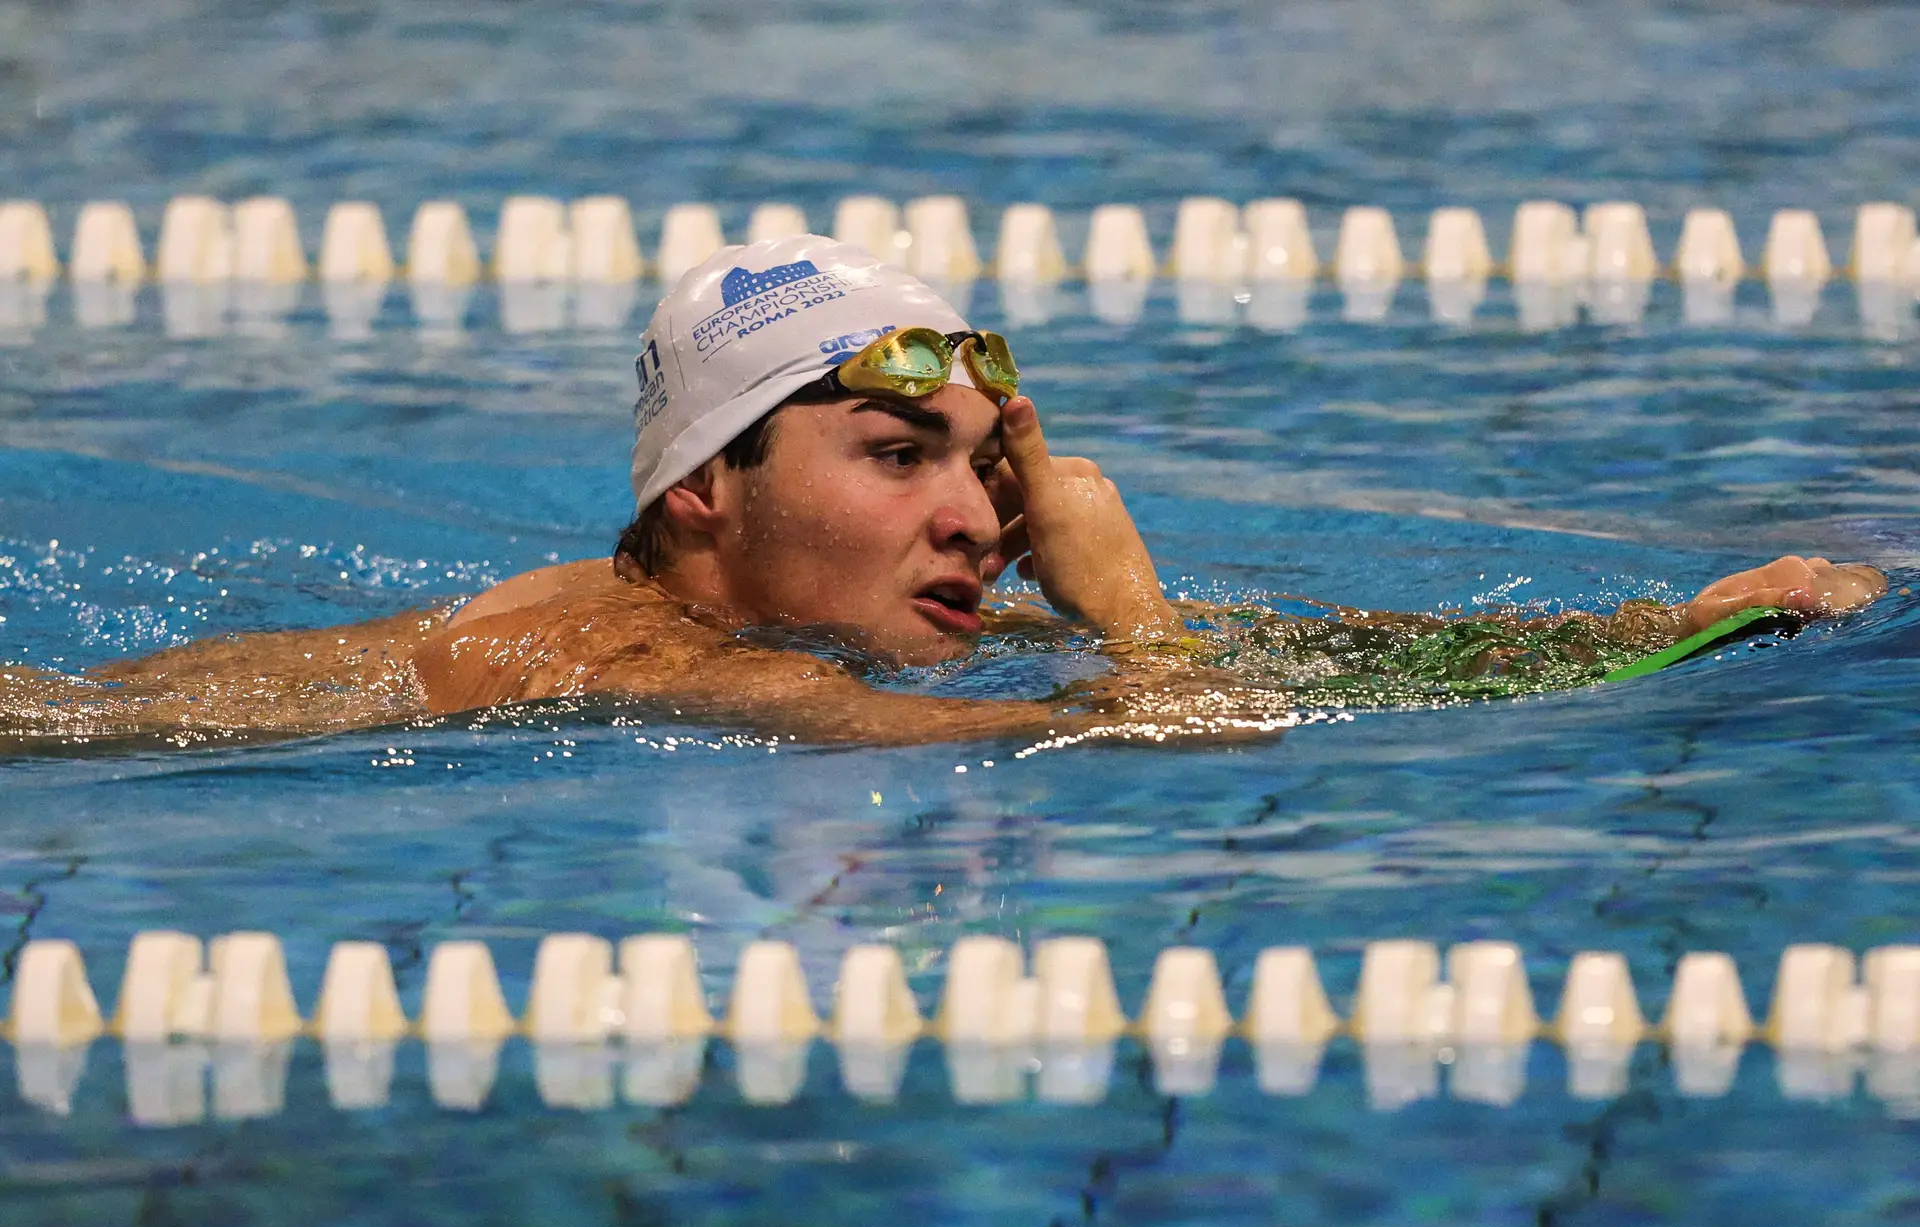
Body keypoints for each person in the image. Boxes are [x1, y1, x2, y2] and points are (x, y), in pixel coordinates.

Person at [2, 236, 1888, 750]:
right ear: (699, 501)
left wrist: (1658, 626)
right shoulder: (654, 662)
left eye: (993, 469)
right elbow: (1176, 727)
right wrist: (1133, 618)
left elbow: (1312, 668)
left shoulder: (790, 652)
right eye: (899, 460)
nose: (985, 517)